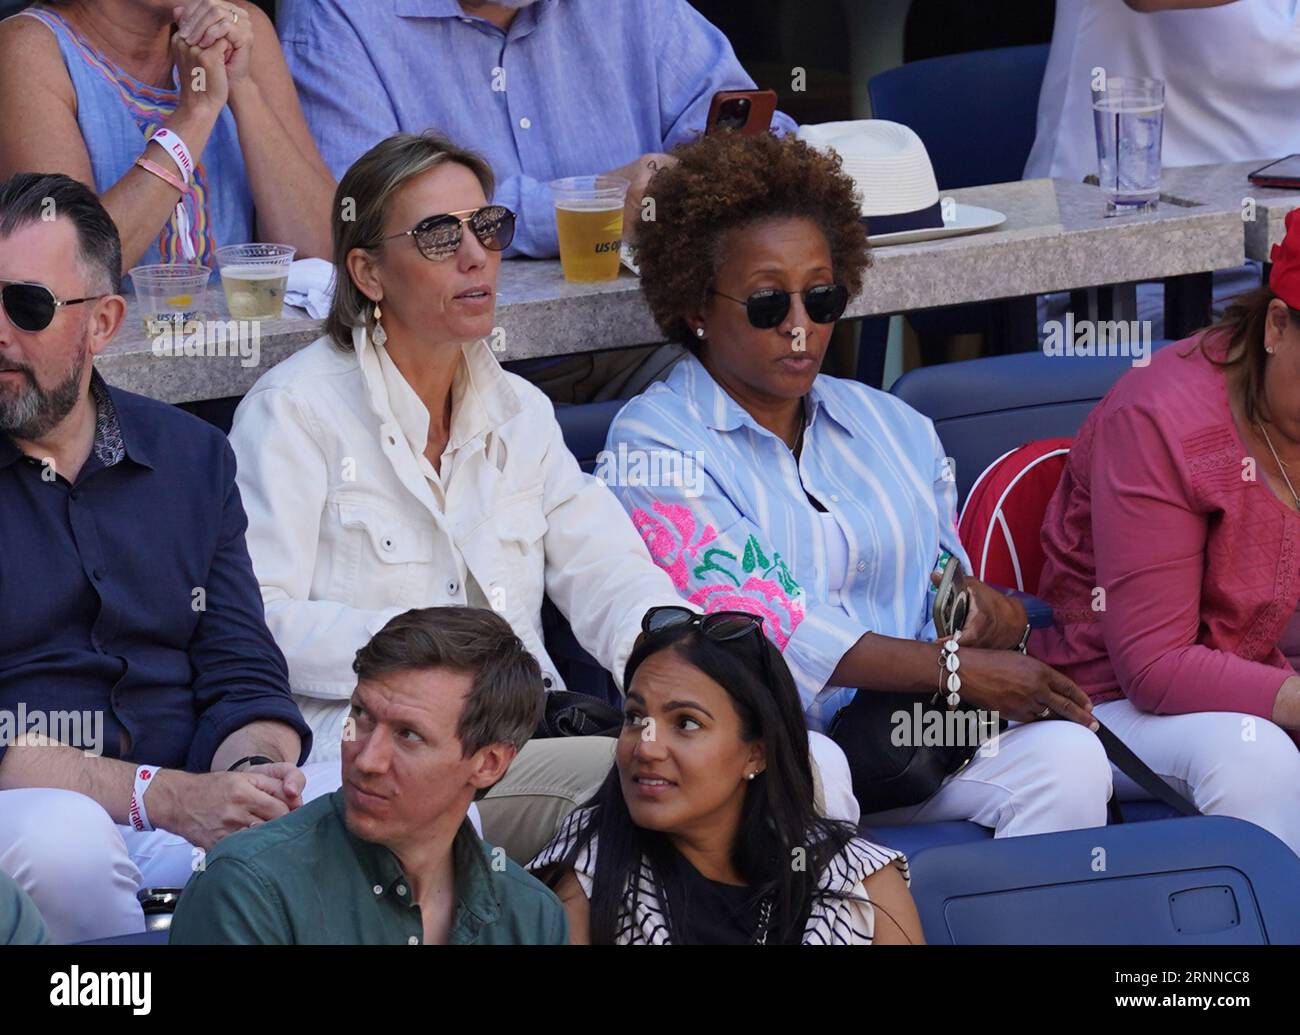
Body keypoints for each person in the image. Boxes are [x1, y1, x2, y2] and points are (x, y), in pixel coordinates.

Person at [226, 131, 864, 862]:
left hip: (531, 738)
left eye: (487, 228)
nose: (476, 255)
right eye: (439, 236)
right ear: (368, 271)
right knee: (659, 792)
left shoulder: (520, 409)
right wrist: (448, 661)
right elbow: (260, 626)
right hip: (388, 758)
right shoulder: (294, 410)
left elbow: (610, 572)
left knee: (814, 767)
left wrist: (682, 663)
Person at [605, 131, 1114, 837]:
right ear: (695, 304)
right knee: (820, 770)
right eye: (765, 304)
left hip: (903, 740)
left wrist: (982, 615)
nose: (799, 328)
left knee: (1069, 759)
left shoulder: (893, 424)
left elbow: (941, 586)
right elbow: (755, 626)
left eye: (821, 298)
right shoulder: (653, 441)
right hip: (764, 744)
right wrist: (951, 670)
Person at [0, 172, 312, 944]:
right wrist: (165, 797)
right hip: (36, 805)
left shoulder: (191, 456)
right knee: (62, 844)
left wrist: (250, 780)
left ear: (103, 322)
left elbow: (242, 665)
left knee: (388, 797)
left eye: (26, 306)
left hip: (192, 788)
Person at [276, 0, 796, 403]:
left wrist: (695, 178)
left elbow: (761, 133)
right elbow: (365, 212)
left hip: (653, 345)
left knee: (769, 414)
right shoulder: (339, 14)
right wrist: (595, 204)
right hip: (445, 373)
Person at [1032, 209, 1300, 858]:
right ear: (1276, 325)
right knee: (1255, 759)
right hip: (1110, 701)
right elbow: (1154, 667)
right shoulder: (1163, 415)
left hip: (1265, 669)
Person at [170, 607, 569, 945]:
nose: (366, 760)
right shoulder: (248, 888)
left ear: (490, 763)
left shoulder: (532, 917)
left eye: (408, 735)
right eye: (361, 716)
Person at [529, 606, 921, 945]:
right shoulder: (590, 873)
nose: (645, 746)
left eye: (685, 723)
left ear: (756, 753)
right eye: (635, 718)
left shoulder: (855, 881)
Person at [0, 1, 333, 269]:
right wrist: (196, 112)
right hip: (111, 351)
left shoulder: (243, 29)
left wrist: (242, 87)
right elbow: (65, 266)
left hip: (259, 346)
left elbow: (322, 253)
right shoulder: (29, 47)